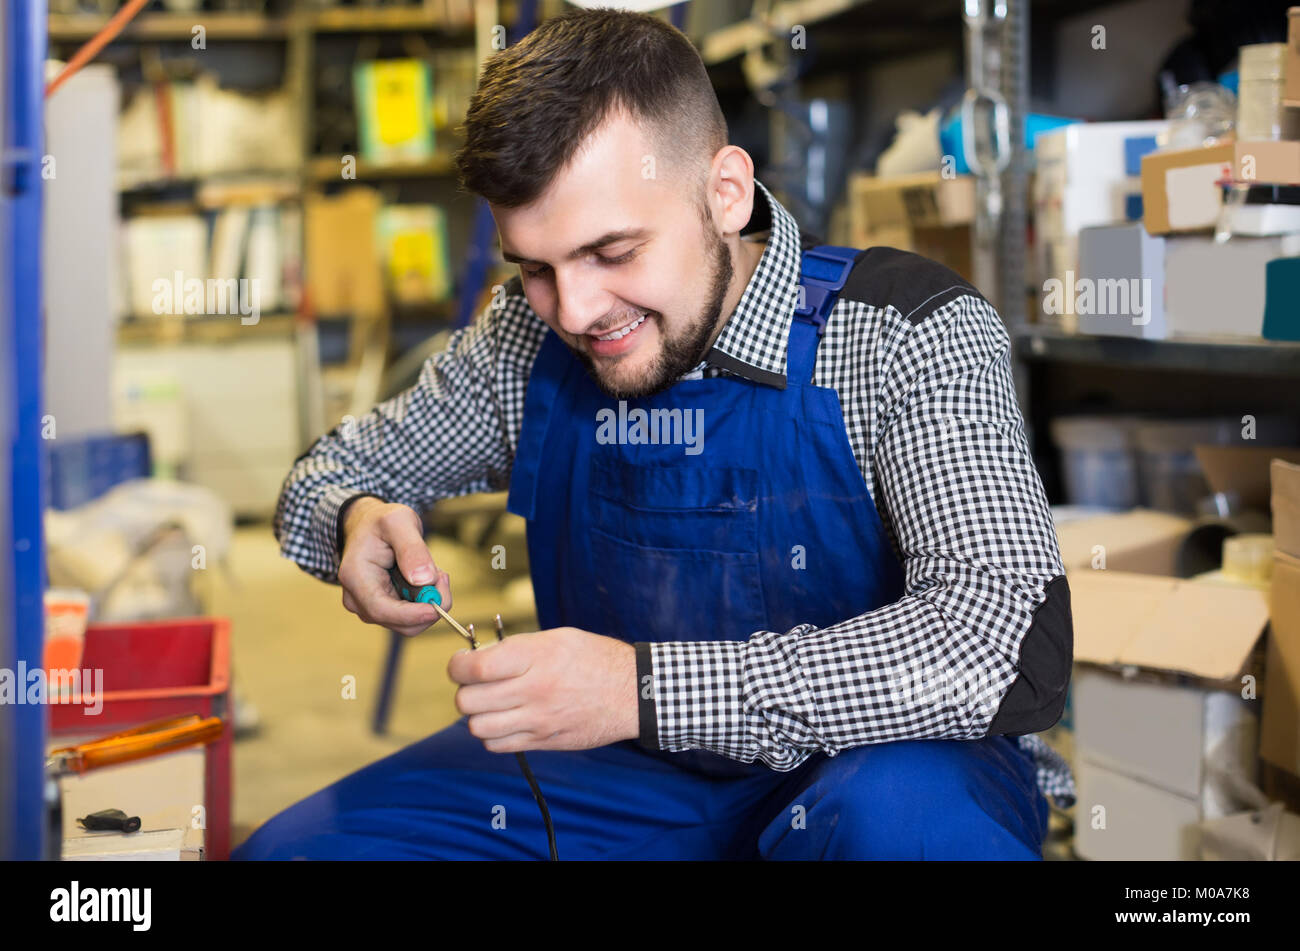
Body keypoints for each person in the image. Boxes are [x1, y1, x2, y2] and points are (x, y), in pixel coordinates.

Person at [234, 7, 1074, 861]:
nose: (578, 310)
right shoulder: (527, 343)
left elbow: (1002, 639)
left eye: (613, 251)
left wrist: (641, 690)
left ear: (725, 193)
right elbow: (323, 474)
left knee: (903, 831)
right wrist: (354, 518)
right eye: (535, 267)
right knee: (296, 854)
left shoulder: (905, 333)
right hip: (628, 772)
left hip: (873, 762)